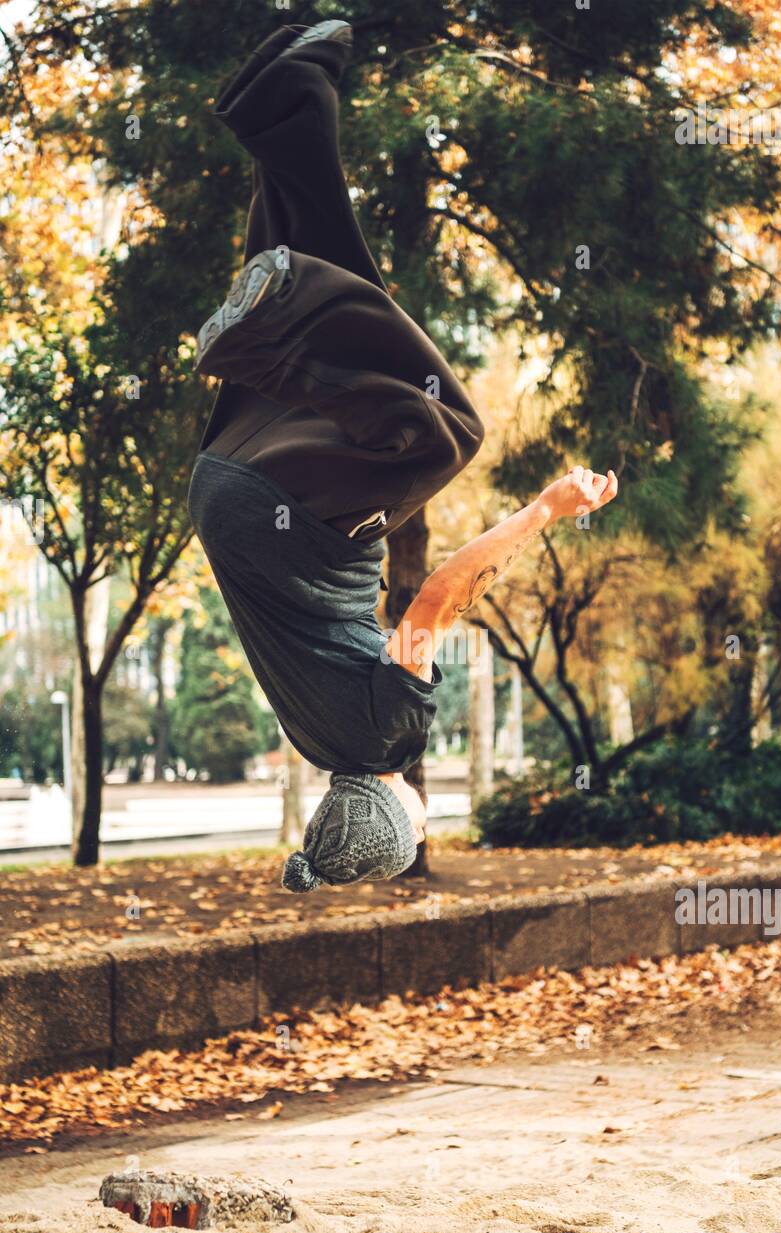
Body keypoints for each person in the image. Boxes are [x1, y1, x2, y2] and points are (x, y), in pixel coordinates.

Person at [188, 19, 619, 893]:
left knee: (443, 429)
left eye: (416, 829)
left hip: (295, 520)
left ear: (395, 817)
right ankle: (285, 108)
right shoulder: (319, 739)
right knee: (335, 291)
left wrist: (545, 510)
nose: (431, 820)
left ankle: (264, 343)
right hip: (228, 496)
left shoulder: (388, 733)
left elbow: (434, 598)